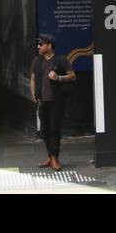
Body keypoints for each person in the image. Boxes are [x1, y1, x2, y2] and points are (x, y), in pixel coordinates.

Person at [31, 35, 75, 172]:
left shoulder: (61, 60)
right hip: (42, 101)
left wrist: (58, 78)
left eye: (41, 44)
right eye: (38, 44)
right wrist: (33, 94)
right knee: (45, 131)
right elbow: (32, 78)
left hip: (56, 101)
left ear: (49, 46)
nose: (38, 47)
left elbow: (73, 75)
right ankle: (50, 157)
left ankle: (55, 158)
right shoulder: (37, 61)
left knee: (54, 130)